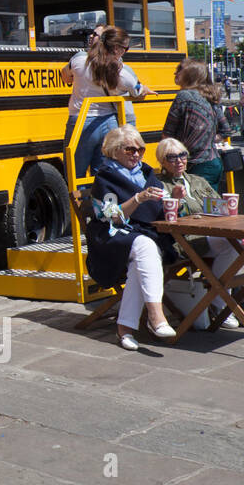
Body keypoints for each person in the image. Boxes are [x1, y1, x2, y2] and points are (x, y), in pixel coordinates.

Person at [86, 125, 176, 351]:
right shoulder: (105, 177)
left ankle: (124, 329)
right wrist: (138, 198)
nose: (136, 154)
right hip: (112, 237)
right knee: (146, 246)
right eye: (129, 149)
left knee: (143, 255)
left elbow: (160, 204)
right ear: (114, 150)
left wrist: (173, 197)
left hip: (143, 233)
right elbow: (109, 217)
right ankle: (156, 316)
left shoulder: (146, 173)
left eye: (141, 149)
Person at [154, 138, 241, 328]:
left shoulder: (198, 180)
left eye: (182, 155)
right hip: (185, 242)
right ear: (162, 161)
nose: (178, 160)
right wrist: (175, 200)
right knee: (233, 245)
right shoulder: (160, 185)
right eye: (171, 157)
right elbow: (162, 219)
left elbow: (221, 207)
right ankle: (221, 305)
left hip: (212, 235)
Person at [60, 26, 156, 178]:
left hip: (81, 122)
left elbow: (65, 75)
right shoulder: (122, 73)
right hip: (109, 124)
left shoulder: (78, 59)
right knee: (104, 175)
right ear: (117, 49)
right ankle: (101, 201)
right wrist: (145, 89)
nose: (126, 51)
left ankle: (77, 202)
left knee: (74, 174)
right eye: (126, 48)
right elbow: (137, 91)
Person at [162, 58, 231, 191]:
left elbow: (167, 135)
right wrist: (206, 139)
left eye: (179, 70)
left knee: (191, 207)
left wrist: (167, 160)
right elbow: (226, 130)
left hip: (192, 164)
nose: (175, 73)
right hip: (212, 162)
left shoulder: (184, 96)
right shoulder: (210, 97)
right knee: (210, 208)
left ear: (190, 74)